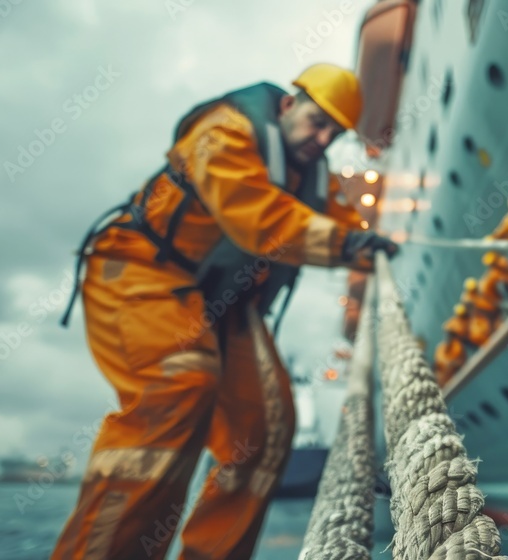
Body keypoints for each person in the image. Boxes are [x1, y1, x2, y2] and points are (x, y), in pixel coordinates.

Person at [52, 63, 398, 560]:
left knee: (266, 430)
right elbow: (255, 216)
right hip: (140, 269)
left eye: (334, 132)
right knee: (175, 388)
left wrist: (370, 243)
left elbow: (339, 223)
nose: (322, 139)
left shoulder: (307, 175)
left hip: (223, 303)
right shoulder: (224, 131)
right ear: (287, 104)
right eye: (317, 121)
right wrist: (345, 242)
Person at [434, 304, 470, 386]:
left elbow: (461, 362)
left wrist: (453, 364)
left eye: (449, 334)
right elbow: (437, 365)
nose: (447, 336)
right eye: (446, 334)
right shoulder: (440, 349)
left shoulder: (458, 346)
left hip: (454, 377)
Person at [459, 277, 501, 347]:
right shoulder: (467, 299)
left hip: (493, 312)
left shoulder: (482, 288)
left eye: (475, 289)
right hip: (486, 318)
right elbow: (479, 311)